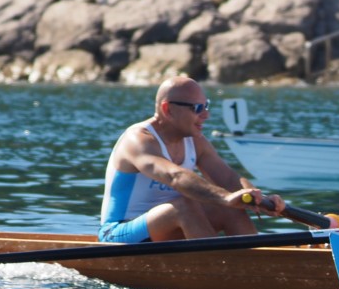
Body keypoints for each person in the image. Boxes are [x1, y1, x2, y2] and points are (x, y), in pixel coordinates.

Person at [99, 76, 287, 243]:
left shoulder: (195, 142)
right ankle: (220, 270)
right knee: (187, 204)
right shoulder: (138, 140)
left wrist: (257, 198)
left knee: (231, 208)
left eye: (206, 106)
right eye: (197, 108)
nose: (206, 115)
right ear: (168, 109)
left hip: (166, 228)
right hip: (118, 234)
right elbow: (176, 177)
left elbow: (228, 178)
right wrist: (226, 197)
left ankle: (255, 264)